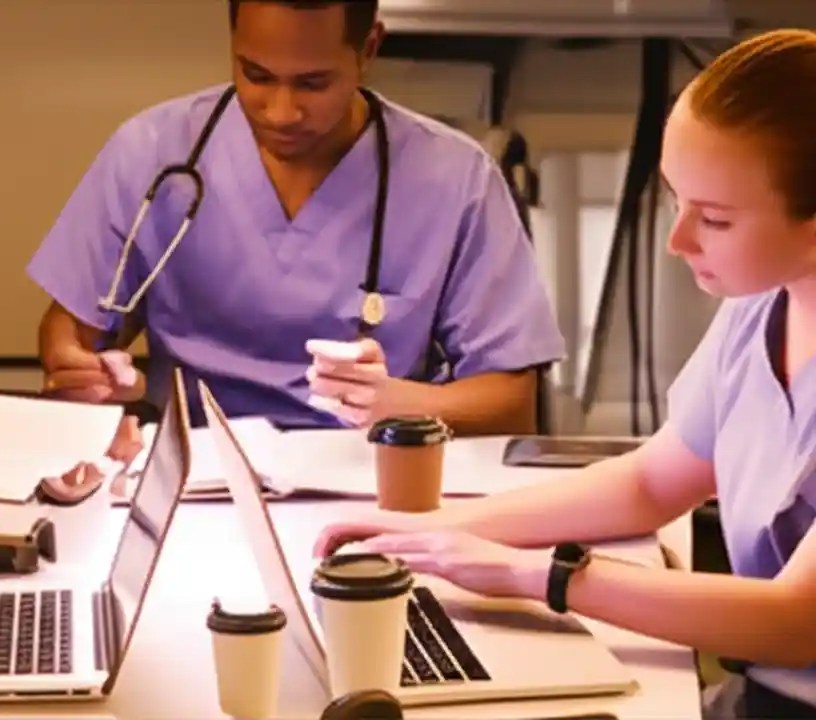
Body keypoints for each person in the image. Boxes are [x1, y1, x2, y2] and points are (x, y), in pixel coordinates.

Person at [313, 29, 816, 719]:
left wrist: (536, 576)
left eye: (717, 220)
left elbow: (797, 620)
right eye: (677, 199)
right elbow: (648, 483)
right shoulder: (763, 306)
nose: (678, 241)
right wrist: (425, 532)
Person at [27, 0, 564, 433]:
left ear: (368, 48)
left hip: (375, 480)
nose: (280, 112)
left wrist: (399, 403)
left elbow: (512, 401)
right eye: (255, 75)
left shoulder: (455, 179)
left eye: (312, 83)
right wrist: (81, 370)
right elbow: (71, 326)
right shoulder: (152, 154)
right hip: (192, 479)